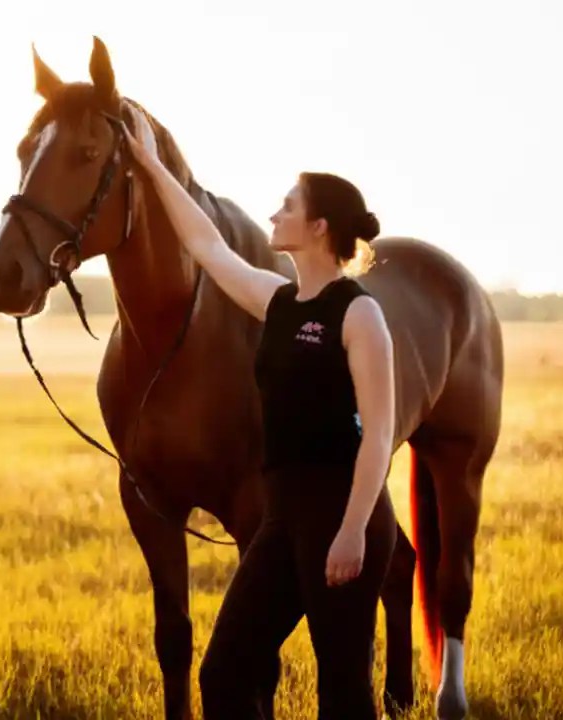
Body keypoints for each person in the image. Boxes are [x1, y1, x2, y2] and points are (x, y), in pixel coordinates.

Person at [121, 105, 398, 720]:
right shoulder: (276, 301)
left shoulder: (359, 314)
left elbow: (379, 433)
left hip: (344, 513)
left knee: (344, 694)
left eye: (288, 206)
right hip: (283, 516)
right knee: (223, 673)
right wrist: (149, 164)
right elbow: (206, 246)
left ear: (319, 227)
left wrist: (353, 529)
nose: (274, 214)